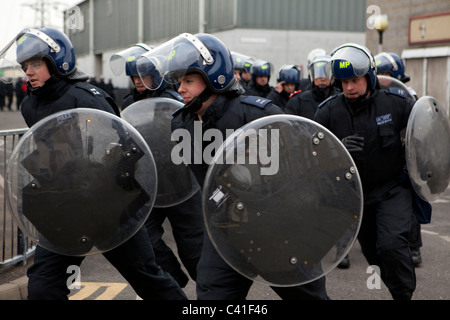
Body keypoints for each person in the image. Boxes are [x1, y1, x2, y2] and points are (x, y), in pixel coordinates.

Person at [139, 32, 330, 300]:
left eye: (189, 81)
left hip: (277, 231)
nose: (180, 88)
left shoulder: (259, 116)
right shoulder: (182, 124)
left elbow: (299, 175)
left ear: (213, 78)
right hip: (227, 232)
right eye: (180, 81)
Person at [8, 26, 187, 300]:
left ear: (57, 62)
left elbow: (123, 149)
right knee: (43, 285)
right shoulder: (30, 105)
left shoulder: (87, 97)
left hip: (109, 206)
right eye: (24, 65)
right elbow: (49, 155)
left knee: (149, 280)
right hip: (64, 208)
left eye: (34, 63)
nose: (28, 71)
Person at [314, 43, 418, 300]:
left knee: (391, 244)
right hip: (353, 198)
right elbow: (310, 156)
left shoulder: (396, 104)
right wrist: (336, 148)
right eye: (344, 81)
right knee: (374, 254)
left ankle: (404, 295)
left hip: (391, 189)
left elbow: (423, 135)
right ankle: (398, 291)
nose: (349, 87)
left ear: (369, 77)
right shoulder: (327, 112)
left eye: (355, 80)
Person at [111, 43, 204, 288]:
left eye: (144, 75)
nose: (138, 80)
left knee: (195, 248)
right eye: (134, 76)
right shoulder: (131, 101)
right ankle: (174, 283)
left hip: (182, 183)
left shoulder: (177, 101)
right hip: (148, 185)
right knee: (147, 242)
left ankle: (212, 294)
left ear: (158, 75)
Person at [375, 51, 423, 266]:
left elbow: (421, 128)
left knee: (411, 204)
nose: (381, 77)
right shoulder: (376, 97)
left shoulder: (409, 96)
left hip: (406, 157)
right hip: (386, 156)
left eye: (385, 72)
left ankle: (414, 247)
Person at [285, 55, 339, 119]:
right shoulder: (298, 101)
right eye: (319, 74)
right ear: (312, 75)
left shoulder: (339, 100)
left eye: (326, 74)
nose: (323, 79)